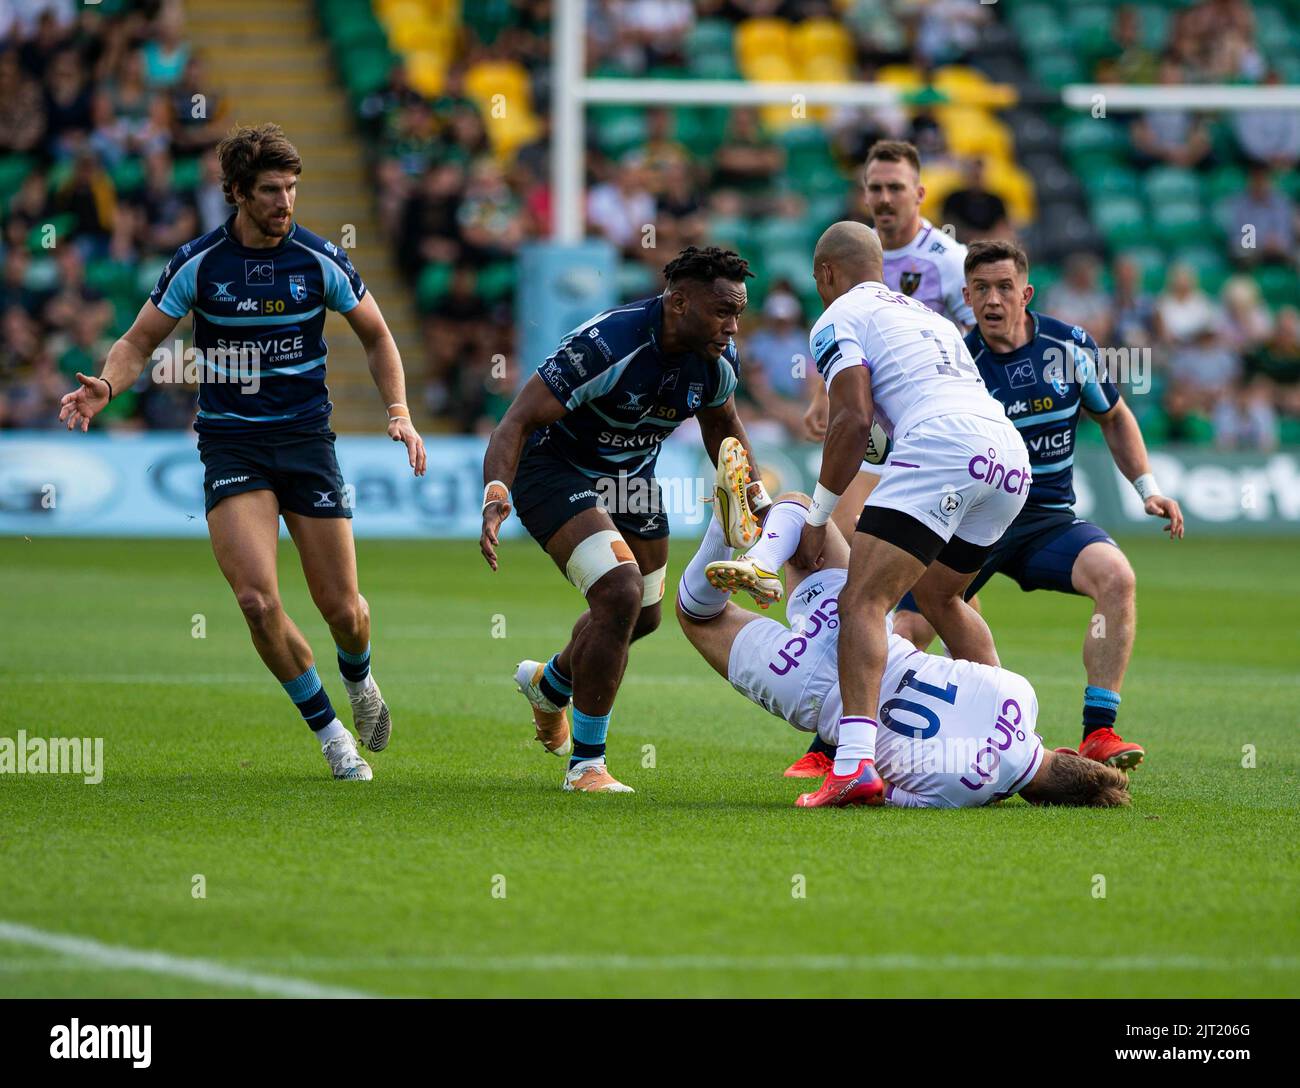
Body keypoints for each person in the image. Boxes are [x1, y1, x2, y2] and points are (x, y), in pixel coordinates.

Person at [58, 123, 427, 781]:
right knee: (257, 602)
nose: (285, 203)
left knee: (344, 609)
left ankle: (360, 678)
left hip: (307, 443)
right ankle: (331, 736)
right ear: (235, 193)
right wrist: (107, 385)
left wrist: (399, 414)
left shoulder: (320, 261)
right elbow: (141, 340)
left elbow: (376, 335)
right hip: (233, 446)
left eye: (291, 189)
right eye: (269, 191)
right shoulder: (200, 264)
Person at [479, 246, 769, 793]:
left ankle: (552, 682)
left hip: (631, 481)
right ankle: (586, 765)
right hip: (553, 468)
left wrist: (754, 495)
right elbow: (515, 420)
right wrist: (497, 491)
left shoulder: (716, 361)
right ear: (678, 301)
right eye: (722, 312)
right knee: (618, 591)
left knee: (643, 617)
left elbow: (722, 425)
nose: (733, 327)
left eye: (738, 313)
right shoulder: (610, 344)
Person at [677, 482, 1132, 809]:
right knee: (700, 616)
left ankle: (757, 553)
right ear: (1041, 803)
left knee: (801, 511)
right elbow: (878, 789)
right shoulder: (962, 792)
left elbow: (972, 641)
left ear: (1069, 755)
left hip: (862, 631)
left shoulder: (1018, 695)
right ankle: (719, 531)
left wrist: (945, 598)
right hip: (808, 688)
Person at [788, 221, 1031, 808]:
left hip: (942, 444)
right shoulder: (931, 317)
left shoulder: (837, 317)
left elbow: (850, 418)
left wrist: (819, 517)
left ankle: (853, 766)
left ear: (825, 273)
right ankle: (1008, 744)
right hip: (1006, 453)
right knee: (945, 598)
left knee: (861, 601)